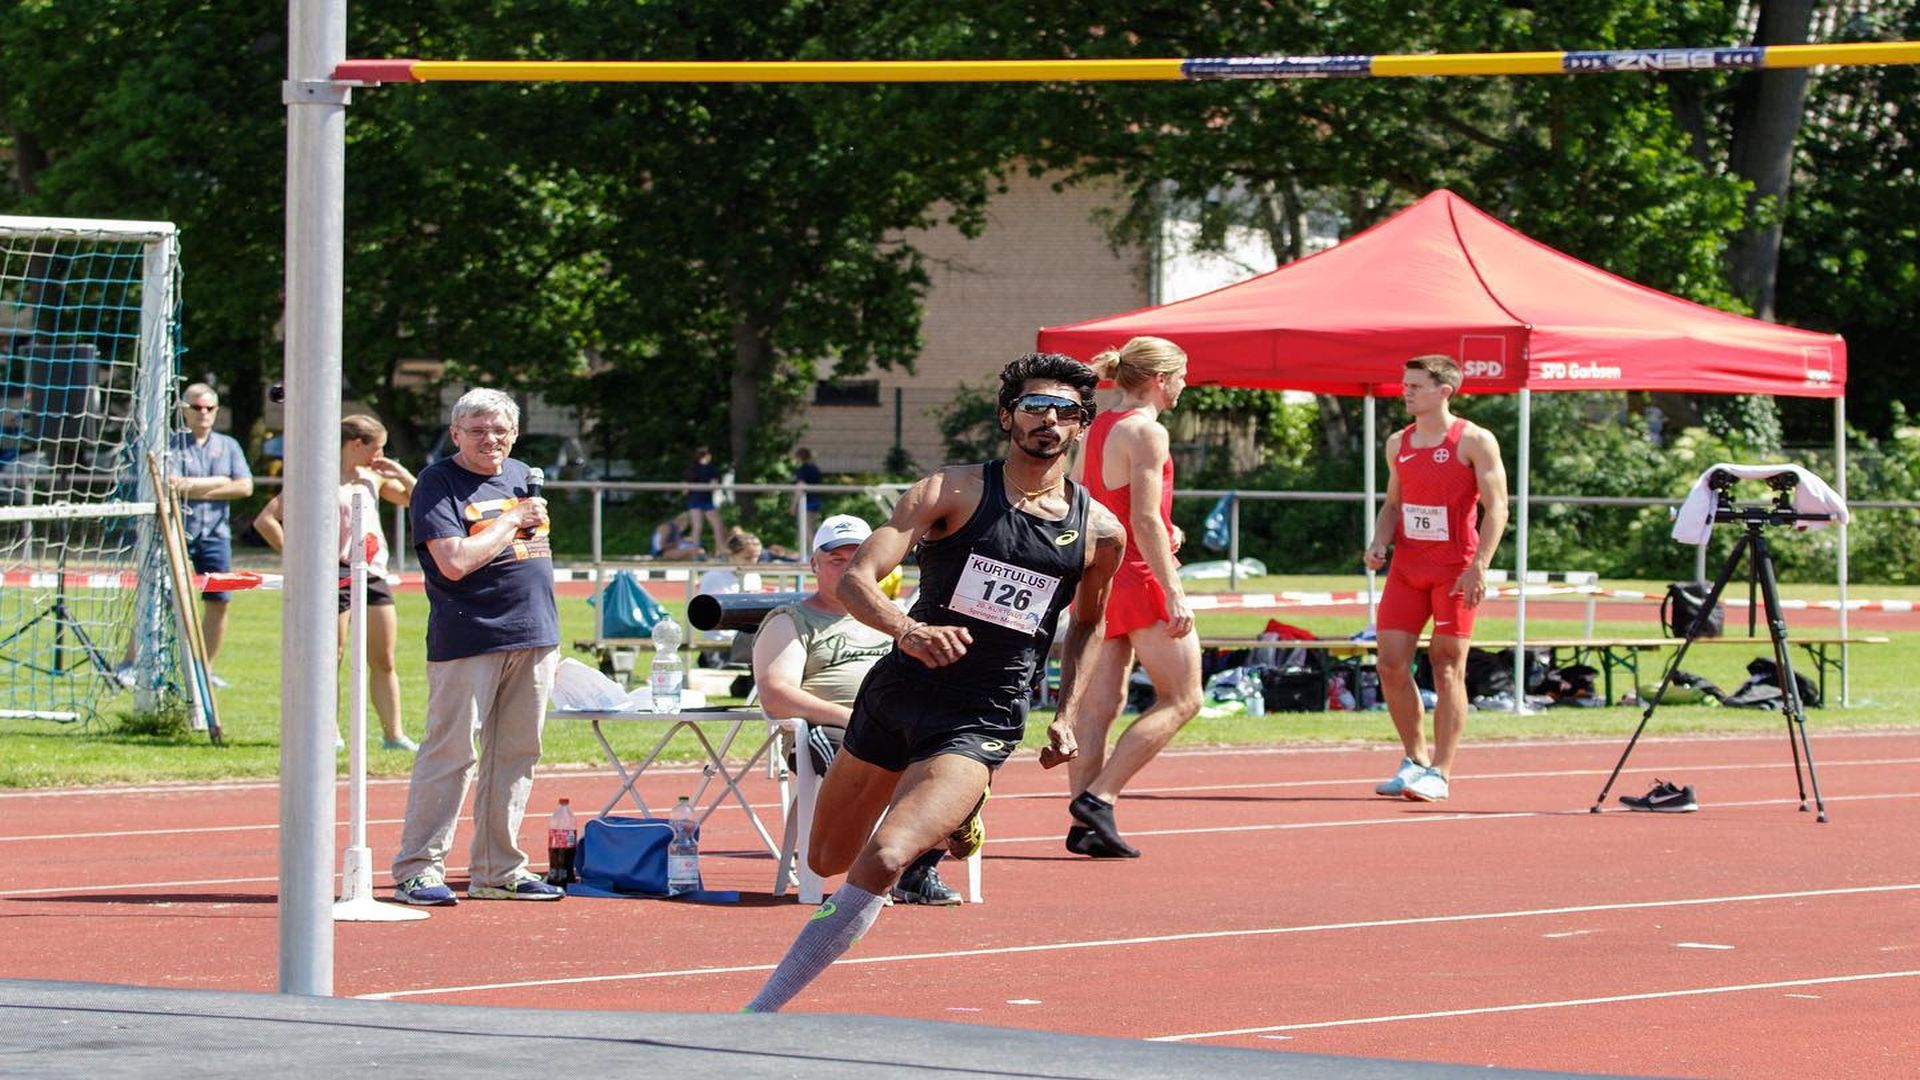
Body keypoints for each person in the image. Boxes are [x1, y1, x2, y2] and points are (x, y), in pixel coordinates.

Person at [744, 353, 1124, 1013]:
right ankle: (945, 810)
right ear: (1008, 416)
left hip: (982, 714)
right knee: (826, 857)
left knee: (887, 857)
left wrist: (1068, 713)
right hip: (898, 693)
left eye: (1066, 412)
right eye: (1035, 407)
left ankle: (761, 1011)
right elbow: (859, 578)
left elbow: (1089, 625)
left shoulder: (1098, 531)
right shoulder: (949, 491)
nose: (1050, 421)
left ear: (1082, 426)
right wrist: (907, 630)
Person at [390, 388, 564, 906]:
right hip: (470, 636)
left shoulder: (522, 475)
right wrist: (511, 518)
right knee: (451, 752)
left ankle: (498, 869)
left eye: (501, 431)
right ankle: (418, 867)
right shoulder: (438, 483)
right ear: (456, 434)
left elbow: (530, 553)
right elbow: (454, 561)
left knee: (516, 755)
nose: (491, 440)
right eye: (478, 430)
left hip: (534, 634)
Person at [753, 512, 961, 905]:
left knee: (957, 752)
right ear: (814, 564)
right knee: (887, 752)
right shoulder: (793, 620)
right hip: (833, 729)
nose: (848, 569)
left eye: (858, 559)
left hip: (901, 723)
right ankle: (893, 867)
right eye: (836, 560)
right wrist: (854, 717)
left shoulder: (899, 621)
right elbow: (776, 692)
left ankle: (917, 867)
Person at [1065, 336, 1203, 858]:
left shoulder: (1098, 425)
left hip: (1102, 573)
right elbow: (1142, 517)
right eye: (1183, 375)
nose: (1186, 384)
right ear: (1159, 380)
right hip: (1139, 575)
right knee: (1184, 698)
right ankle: (1099, 798)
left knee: (1100, 707)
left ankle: (1083, 822)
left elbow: (1092, 501)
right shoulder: (1147, 431)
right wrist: (1174, 592)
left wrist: (1167, 528)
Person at [1363, 355, 1510, 802]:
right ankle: (1415, 760)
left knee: (1447, 665)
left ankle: (1442, 772)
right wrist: (1379, 541)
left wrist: (1479, 565)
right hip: (1408, 569)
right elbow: (1393, 504)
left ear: (1444, 391)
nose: (1405, 391)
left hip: (1455, 569)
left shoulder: (1474, 440)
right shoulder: (1397, 442)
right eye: (1404, 385)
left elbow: (1497, 507)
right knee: (1390, 664)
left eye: (1415, 386)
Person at [253, 415, 419, 752]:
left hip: (372, 573)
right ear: (356, 444)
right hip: (333, 575)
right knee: (333, 655)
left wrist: (400, 473)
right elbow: (266, 519)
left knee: (384, 658)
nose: (381, 454)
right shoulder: (318, 477)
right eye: (377, 447)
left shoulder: (374, 476)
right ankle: (328, 731)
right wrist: (298, 556)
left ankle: (394, 734)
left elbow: (417, 501)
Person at [167, 383, 254, 684]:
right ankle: (131, 663)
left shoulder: (229, 445)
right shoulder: (170, 443)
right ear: (184, 411)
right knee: (162, 598)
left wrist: (193, 485)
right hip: (177, 531)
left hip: (216, 535)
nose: (203, 413)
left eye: (209, 408)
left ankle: (204, 669)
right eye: (196, 407)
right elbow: (170, 485)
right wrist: (219, 482)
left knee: (220, 600)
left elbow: (244, 486)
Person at [683, 446, 725, 552]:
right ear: (708, 455)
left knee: (697, 528)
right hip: (706, 501)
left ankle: (694, 553)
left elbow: (685, 491)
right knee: (717, 526)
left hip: (694, 501)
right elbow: (714, 486)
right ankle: (719, 551)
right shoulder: (710, 468)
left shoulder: (692, 468)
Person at [792, 446, 825, 541]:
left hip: (807, 502)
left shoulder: (802, 470)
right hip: (816, 501)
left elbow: (800, 487)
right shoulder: (815, 469)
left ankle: (810, 552)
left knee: (806, 529)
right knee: (811, 527)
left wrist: (793, 505)